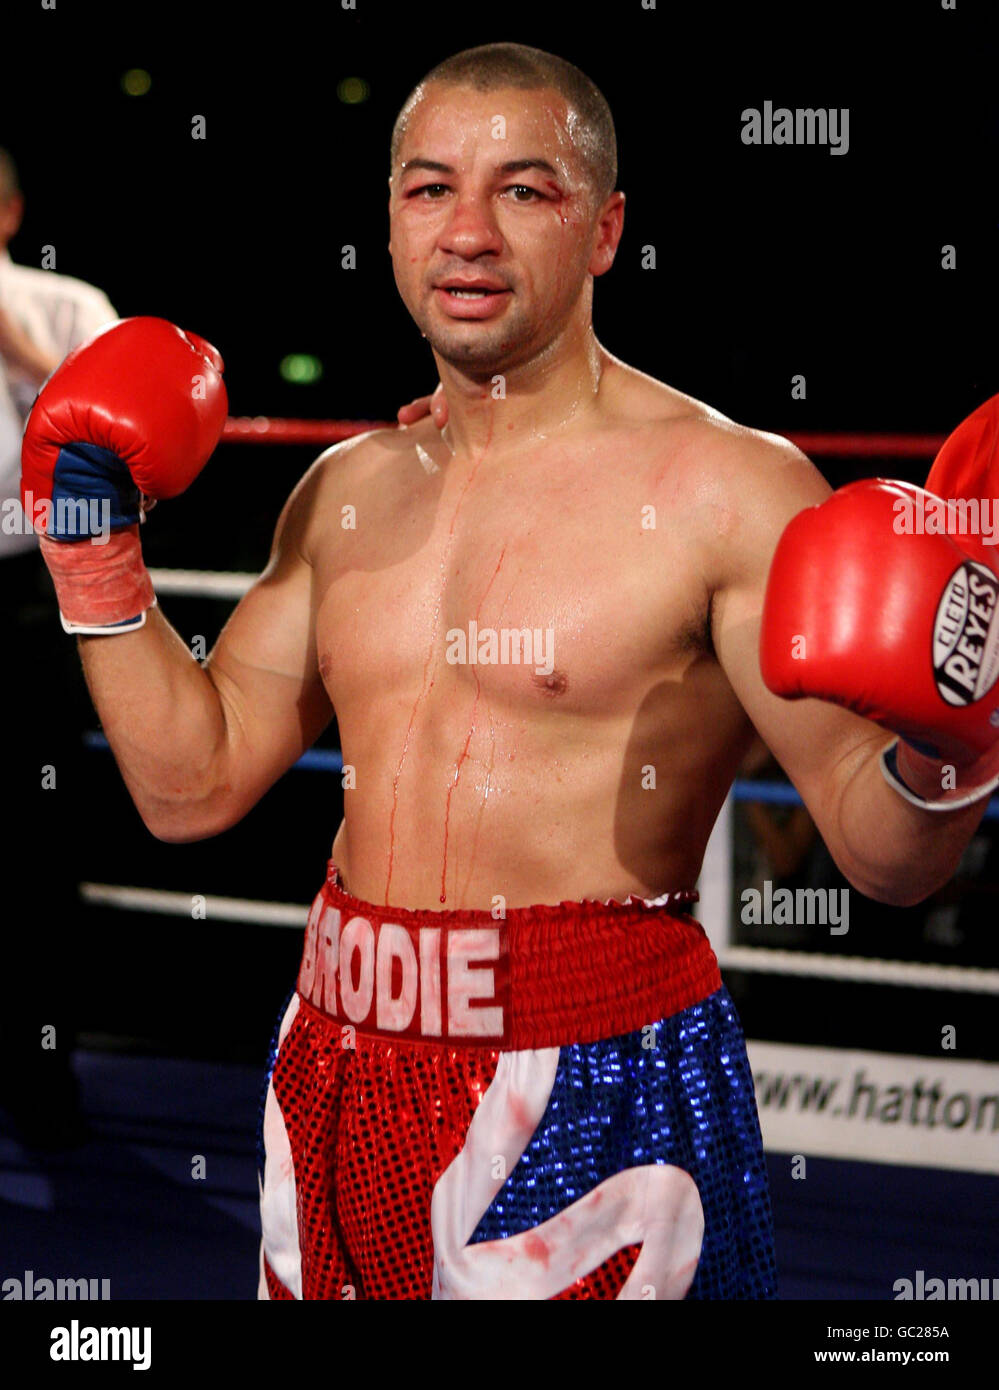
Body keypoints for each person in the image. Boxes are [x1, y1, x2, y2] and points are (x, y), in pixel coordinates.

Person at [18, 43, 999, 1299]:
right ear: (388, 219)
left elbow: (883, 856)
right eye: (429, 190)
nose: (467, 233)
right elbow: (188, 787)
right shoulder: (344, 492)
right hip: (336, 1052)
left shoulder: (727, 491)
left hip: (596, 1078)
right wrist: (94, 555)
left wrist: (950, 736)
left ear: (606, 228)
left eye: (523, 192)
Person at [0, 146, 117, 1146]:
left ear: (9, 213)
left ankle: (42, 1084)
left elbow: (131, 437)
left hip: (33, 592)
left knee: (37, 845)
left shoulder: (70, 304)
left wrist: (18, 346)